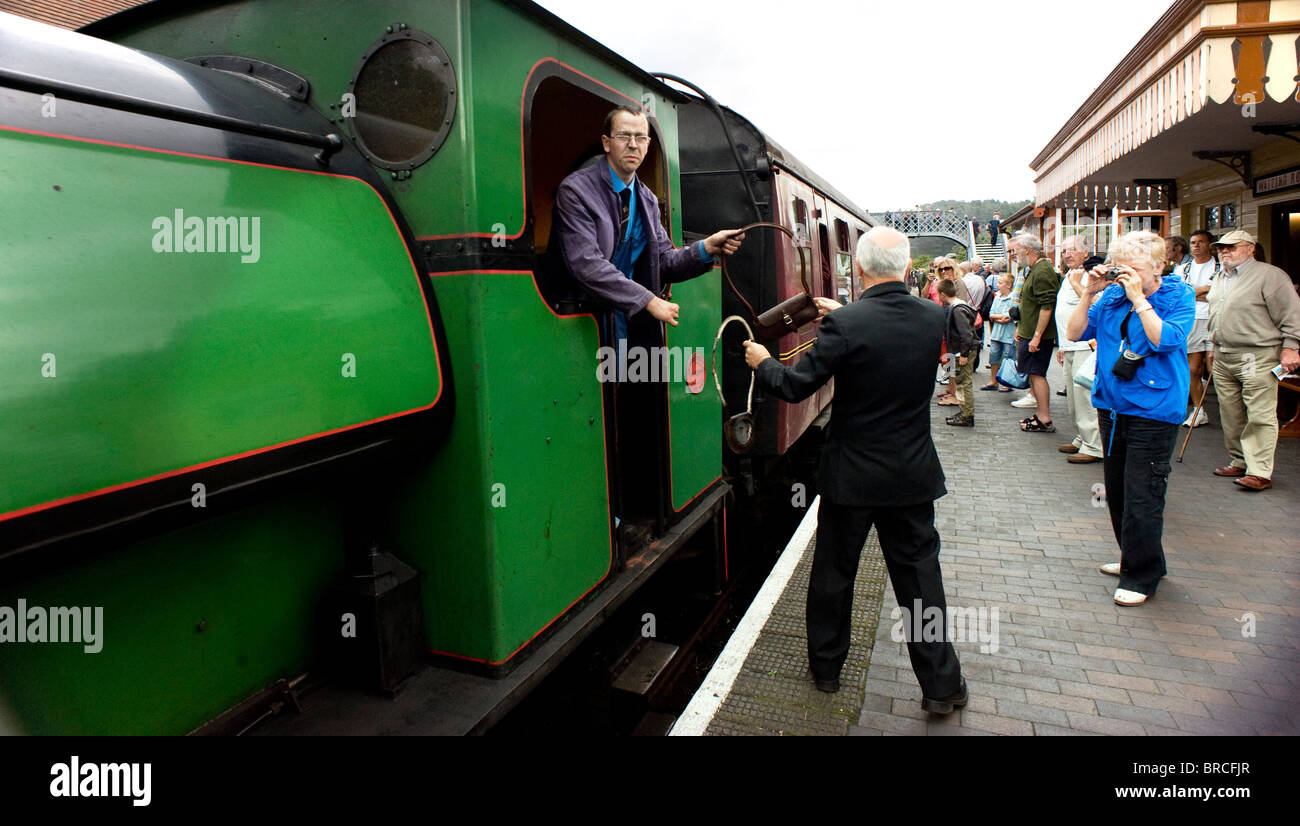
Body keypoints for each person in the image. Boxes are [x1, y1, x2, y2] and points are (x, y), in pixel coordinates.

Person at [742, 227, 966, 712]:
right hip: (911, 475)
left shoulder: (845, 326)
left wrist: (762, 362)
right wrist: (846, 319)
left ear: (859, 270)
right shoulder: (934, 317)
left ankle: (826, 671)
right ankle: (941, 686)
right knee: (920, 580)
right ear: (908, 268)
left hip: (851, 477)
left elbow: (796, 386)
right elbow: (888, 336)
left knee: (834, 575)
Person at [1065, 230, 1195, 606]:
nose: (1126, 277)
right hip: (1112, 405)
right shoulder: (1110, 297)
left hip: (1154, 409)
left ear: (1158, 266)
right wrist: (1089, 291)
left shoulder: (1176, 295)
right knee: (1118, 489)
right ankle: (1136, 557)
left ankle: (1141, 577)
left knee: (1144, 492)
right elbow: (1074, 332)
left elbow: (1164, 339)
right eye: (1121, 269)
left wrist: (1139, 298)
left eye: (1135, 270)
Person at [553, 105, 743, 341]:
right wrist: (648, 300)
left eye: (640, 137)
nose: (633, 144)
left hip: (628, 320)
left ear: (647, 145)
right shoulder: (576, 191)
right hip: (584, 323)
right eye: (624, 136)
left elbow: (663, 261)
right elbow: (586, 265)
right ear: (606, 142)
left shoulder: (647, 200)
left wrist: (706, 248)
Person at [1206, 230, 1300, 491]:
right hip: (1225, 353)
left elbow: (1292, 314)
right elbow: (1216, 313)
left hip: (1257, 354)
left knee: (1260, 412)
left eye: (1231, 247)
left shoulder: (1270, 275)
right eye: (1221, 248)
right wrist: (1212, 346)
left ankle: (1259, 471)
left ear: (1250, 249)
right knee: (1231, 412)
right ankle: (1240, 460)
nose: (1224, 251)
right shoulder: (1221, 276)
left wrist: (1291, 348)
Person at [1055, 235, 1104, 463]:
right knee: (1073, 400)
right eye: (1064, 250)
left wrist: (1077, 285)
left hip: (1086, 345)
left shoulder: (1089, 275)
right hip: (1070, 345)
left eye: (1073, 250)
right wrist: (1062, 346)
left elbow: (1096, 303)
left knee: (1084, 396)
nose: (1067, 254)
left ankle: (1094, 445)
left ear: (1086, 252)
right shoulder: (1068, 275)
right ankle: (1081, 436)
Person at [1011, 233, 1061, 432]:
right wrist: (1021, 328)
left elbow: (1047, 305)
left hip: (1037, 337)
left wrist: (1037, 336)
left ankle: (1044, 418)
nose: (1015, 254)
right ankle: (1041, 415)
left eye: (1016, 251)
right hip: (1029, 333)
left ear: (1027, 250)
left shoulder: (1042, 271)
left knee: (1037, 374)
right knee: (1033, 374)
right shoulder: (1034, 269)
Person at [1180, 229, 1220, 427]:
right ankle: (1198, 410)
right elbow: (1180, 295)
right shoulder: (1183, 269)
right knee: (1193, 368)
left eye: (1201, 242)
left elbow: (1220, 294)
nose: (1196, 245)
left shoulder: (1220, 266)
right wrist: (1204, 291)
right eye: (1193, 242)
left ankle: (1229, 410)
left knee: (1214, 367)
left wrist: (1192, 293)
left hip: (1215, 319)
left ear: (1209, 245)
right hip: (1192, 319)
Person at [937, 278, 978, 426]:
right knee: (962, 382)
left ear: (942, 294)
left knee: (964, 383)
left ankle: (967, 415)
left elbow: (966, 334)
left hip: (962, 351)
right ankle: (965, 412)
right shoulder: (960, 306)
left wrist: (964, 354)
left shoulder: (957, 309)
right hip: (962, 350)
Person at [982, 272, 1017, 392]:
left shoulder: (1013, 298)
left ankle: (1007, 382)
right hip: (996, 334)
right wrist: (1000, 317)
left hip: (1008, 334)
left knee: (1008, 358)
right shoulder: (997, 297)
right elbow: (991, 314)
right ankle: (994, 380)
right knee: (993, 357)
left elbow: (1009, 317)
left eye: (1000, 283)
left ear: (1009, 285)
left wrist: (1001, 317)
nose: (998, 285)